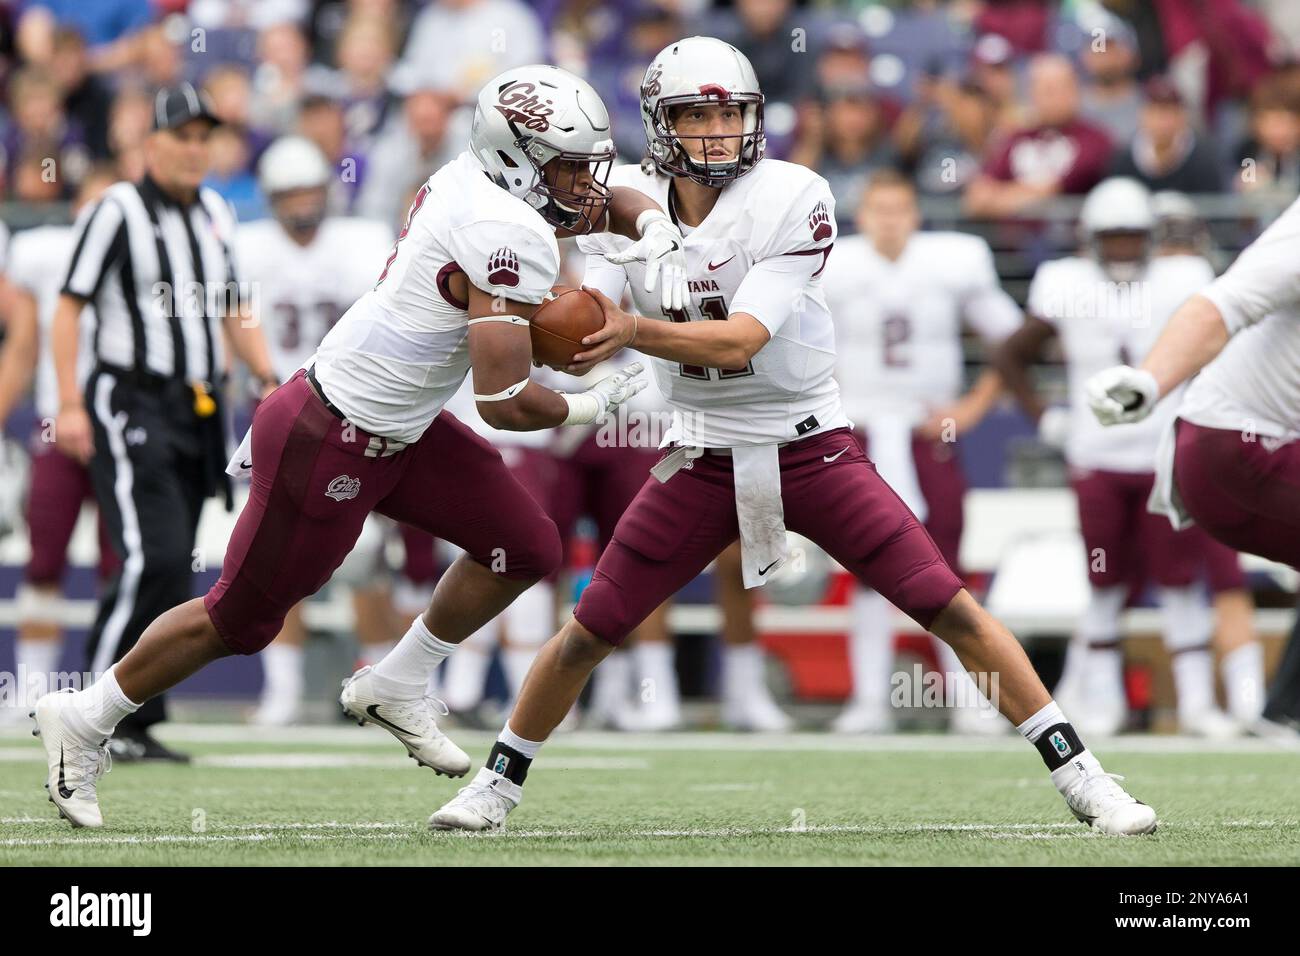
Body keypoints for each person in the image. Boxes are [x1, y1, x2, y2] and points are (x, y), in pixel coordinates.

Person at [430, 37, 1158, 837]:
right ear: (660, 123)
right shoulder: (623, 203)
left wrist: (629, 328)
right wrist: (565, 326)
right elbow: (590, 314)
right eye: (696, 114)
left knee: (947, 605)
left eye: (729, 113)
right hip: (700, 451)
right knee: (591, 629)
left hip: (811, 445)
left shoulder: (791, 195)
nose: (715, 131)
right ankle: (494, 786)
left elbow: (742, 338)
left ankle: (1085, 777)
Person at [32, 65, 690, 829]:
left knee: (525, 548)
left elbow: (610, 202)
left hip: (400, 426)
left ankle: (396, 682)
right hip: (331, 432)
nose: (585, 184)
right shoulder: (502, 230)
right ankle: (86, 714)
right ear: (519, 159)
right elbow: (505, 402)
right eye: (568, 166)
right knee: (238, 621)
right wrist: (603, 398)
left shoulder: (481, 181)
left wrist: (654, 230)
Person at [48, 84, 279, 763]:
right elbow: (68, 309)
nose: (194, 148)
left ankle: (134, 717)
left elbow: (235, 304)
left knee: (174, 559)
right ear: (150, 143)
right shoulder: (115, 210)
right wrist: (67, 403)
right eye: (181, 135)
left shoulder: (213, 211)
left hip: (198, 407)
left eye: (204, 136)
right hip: (132, 399)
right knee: (152, 552)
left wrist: (266, 377)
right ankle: (92, 711)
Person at [996, 178, 1243, 737]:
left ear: (1152, 237)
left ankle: (1199, 704)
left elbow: (1222, 348)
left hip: (1162, 459)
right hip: (1097, 459)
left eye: (1134, 238)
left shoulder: (1182, 279)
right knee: (1104, 582)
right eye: (1115, 239)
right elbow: (1012, 353)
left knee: (1180, 583)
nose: (1125, 249)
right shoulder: (1065, 282)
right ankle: (1103, 700)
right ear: (1091, 239)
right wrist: (1044, 417)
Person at [1087, 191, 1300, 730]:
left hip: (1259, 445)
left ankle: (1283, 707)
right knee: (1149, 582)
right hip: (1233, 443)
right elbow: (1221, 305)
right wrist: (1150, 379)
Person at [820, 169, 1021, 734]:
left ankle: (971, 700)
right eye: (879, 209)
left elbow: (1013, 338)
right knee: (864, 564)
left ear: (916, 214)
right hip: (855, 430)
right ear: (862, 216)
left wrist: (975, 405)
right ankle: (868, 699)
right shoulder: (834, 262)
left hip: (929, 432)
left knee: (947, 563)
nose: (889, 221)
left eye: (899, 209)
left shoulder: (952, 262)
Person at [235, 135, 399, 726]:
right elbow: (234, 319)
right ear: (272, 199)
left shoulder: (360, 243)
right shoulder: (248, 248)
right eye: (290, 193)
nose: (302, 203)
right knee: (270, 552)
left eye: (310, 190)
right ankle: (283, 691)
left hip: (357, 409)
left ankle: (383, 682)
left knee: (370, 558)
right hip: (281, 412)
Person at [0, 167, 118, 724]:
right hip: (58, 427)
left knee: (120, 568)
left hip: (123, 431)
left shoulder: (140, 261)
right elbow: (23, 347)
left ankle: (107, 692)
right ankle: (30, 687)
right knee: (43, 560)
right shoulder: (46, 256)